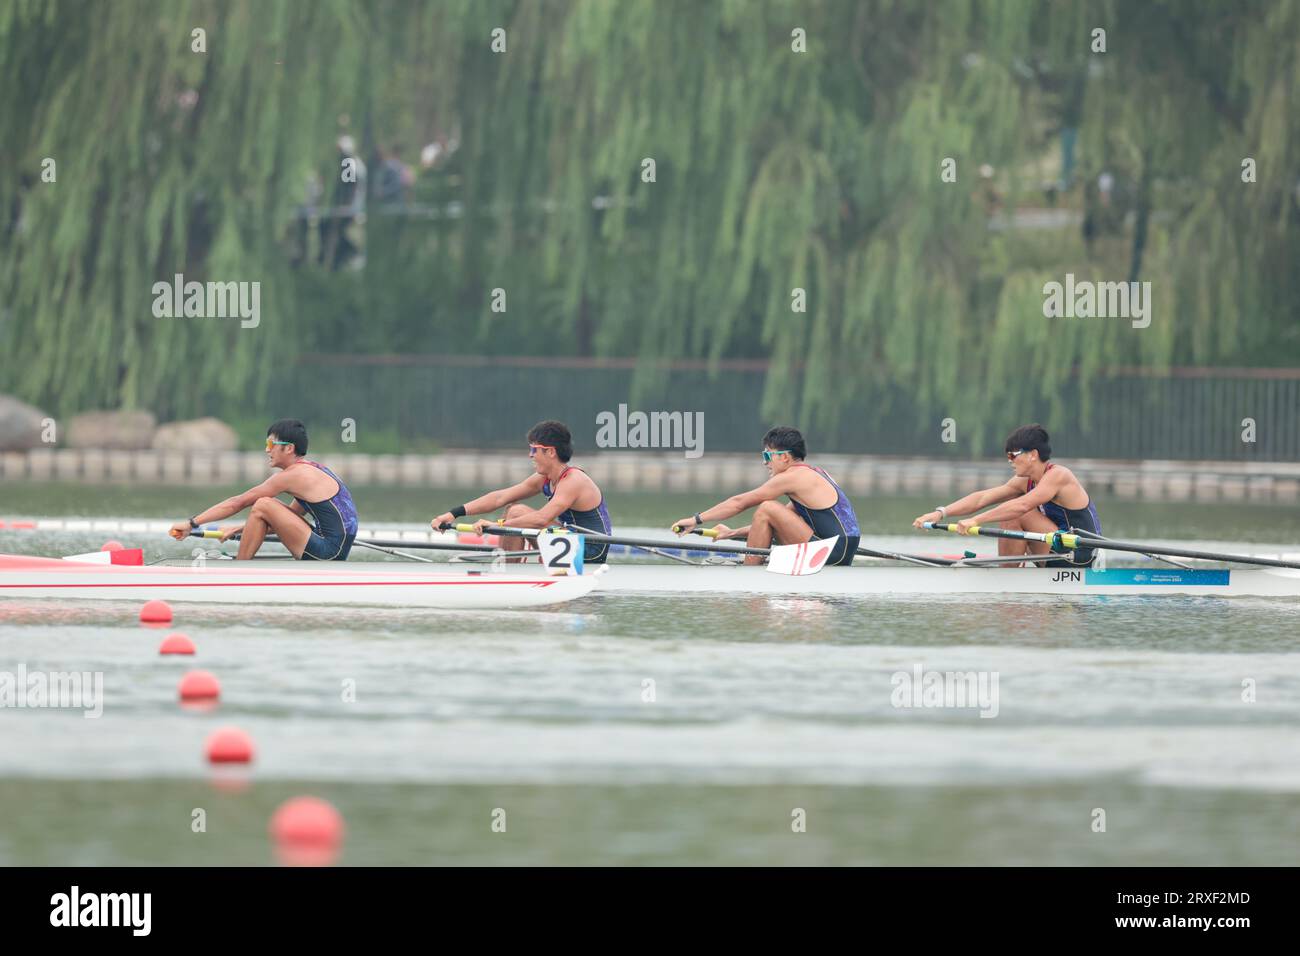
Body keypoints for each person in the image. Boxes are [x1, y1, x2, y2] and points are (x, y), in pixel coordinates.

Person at [911, 423, 1101, 566]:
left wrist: (976, 520)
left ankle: (1008, 575)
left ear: (1033, 454)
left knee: (1018, 510)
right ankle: (1011, 572)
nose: (1009, 460)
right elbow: (982, 498)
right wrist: (940, 513)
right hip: (1055, 549)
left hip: (1079, 555)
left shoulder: (1059, 475)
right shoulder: (1024, 481)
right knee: (1012, 506)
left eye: (1013, 455)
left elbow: (1022, 507)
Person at [167, 419, 358, 560]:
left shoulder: (294, 476)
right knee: (267, 507)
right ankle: (243, 561)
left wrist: (192, 523)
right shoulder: (311, 470)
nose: (267, 450)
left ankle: (241, 568)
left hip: (329, 552)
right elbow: (285, 518)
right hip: (335, 548)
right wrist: (240, 528)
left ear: (289, 448)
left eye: (271, 444)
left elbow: (238, 502)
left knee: (263, 504)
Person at [671, 426, 860, 566]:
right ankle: (755, 564)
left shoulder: (791, 478)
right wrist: (731, 533)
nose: (764, 462)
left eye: (768, 456)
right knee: (770, 512)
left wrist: (696, 519)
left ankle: (750, 573)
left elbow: (739, 503)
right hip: (842, 551)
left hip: (833, 552)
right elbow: (777, 524)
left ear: (785, 457)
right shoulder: (815, 474)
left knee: (767, 507)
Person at [429, 420, 612, 563]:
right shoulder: (544, 478)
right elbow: (500, 497)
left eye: (534, 449)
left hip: (592, 550)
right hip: (568, 541)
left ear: (550, 452)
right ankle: (511, 570)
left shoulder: (573, 480)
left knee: (517, 513)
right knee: (513, 510)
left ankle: (509, 573)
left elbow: (541, 518)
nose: (530, 455)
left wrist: (497, 526)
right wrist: (453, 514)